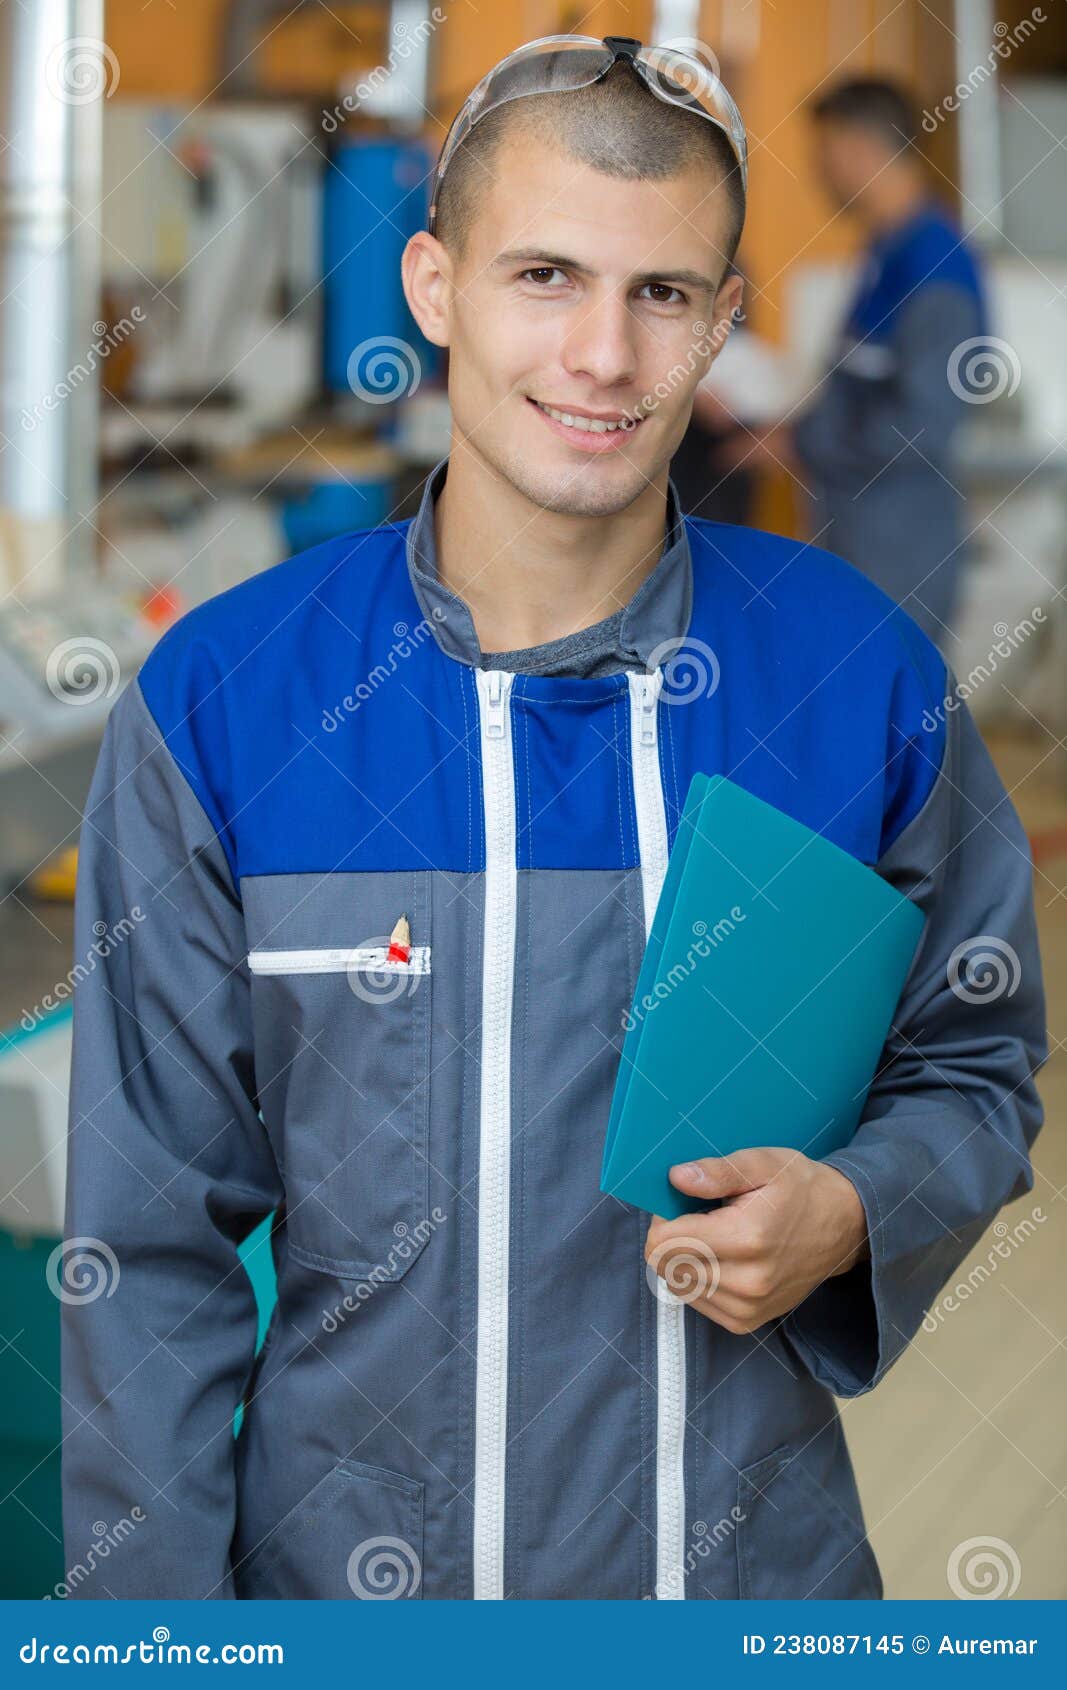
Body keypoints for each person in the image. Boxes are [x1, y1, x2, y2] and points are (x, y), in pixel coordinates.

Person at [61, 36, 1045, 1602]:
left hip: (742, 1600)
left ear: (719, 320)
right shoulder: (229, 704)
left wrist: (856, 1204)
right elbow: (144, 1257)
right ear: (434, 286)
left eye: (661, 293)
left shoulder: (851, 677)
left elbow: (972, 1062)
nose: (600, 353)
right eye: (542, 275)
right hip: (351, 1607)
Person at [726, 78, 989, 648]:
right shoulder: (885, 254)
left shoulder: (935, 268)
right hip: (859, 543)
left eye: (825, 153)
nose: (819, 172)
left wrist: (800, 443)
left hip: (900, 560)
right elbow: (864, 388)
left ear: (860, 148)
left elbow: (923, 425)